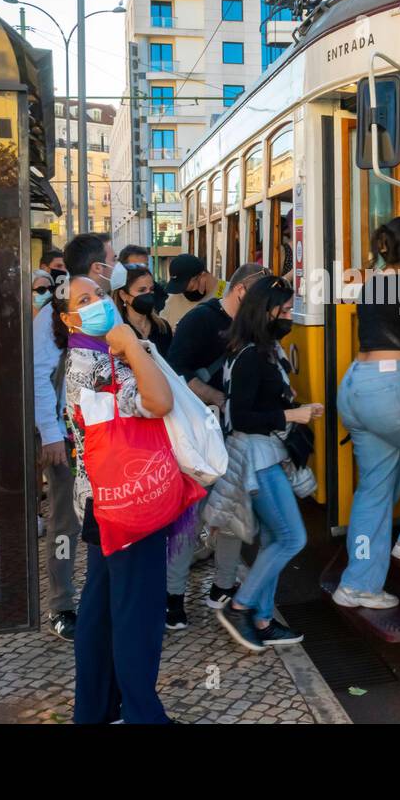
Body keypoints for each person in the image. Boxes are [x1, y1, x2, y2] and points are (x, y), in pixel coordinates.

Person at [57, 239, 177, 724]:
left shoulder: (88, 357)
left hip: (102, 507)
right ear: (69, 320)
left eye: (98, 297)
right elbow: (160, 400)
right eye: (82, 303)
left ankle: (96, 710)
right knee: (138, 617)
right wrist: (130, 343)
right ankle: (145, 715)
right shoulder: (98, 365)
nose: (96, 305)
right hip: (129, 506)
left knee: (102, 611)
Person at [215, 275, 323, 651]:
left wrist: (296, 409)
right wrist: (292, 416)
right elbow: (243, 416)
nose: (290, 314)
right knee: (292, 537)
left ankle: (261, 618)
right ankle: (241, 606)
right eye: (286, 309)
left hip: (263, 454)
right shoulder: (252, 356)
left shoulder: (256, 350)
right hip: (257, 456)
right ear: (266, 311)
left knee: (277, 538)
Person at [162, 261, 268, 628]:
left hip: (234, 434)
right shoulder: (199, 321)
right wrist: (218, 399)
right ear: (241, 291)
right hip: (199, 436)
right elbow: (174, 374)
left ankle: (222, 587)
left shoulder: (253, 326)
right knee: (188, 519)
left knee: (231, 512)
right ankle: (172, 598)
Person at [333, 217, 400, 610]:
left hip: (356, 385)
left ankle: (357, 585)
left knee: (374, 490)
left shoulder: (375, 284)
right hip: (390, 388)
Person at [32, 263, 79, 640]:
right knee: (66, 522)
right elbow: (39, 377)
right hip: (67, 438)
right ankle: (62, 604)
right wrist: (50, 433)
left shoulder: (107, 308)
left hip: (106, 434)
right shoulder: (51, 317)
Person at [113, 247, 173, 357]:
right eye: (141, 290)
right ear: (123, 295)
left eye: (151, 289)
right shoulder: (117, 332)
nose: (148, 295)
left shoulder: (162, 328)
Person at [160, 253, 218, 329]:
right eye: (180, 289)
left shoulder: (228, 293)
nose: (184, 292)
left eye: (190, 287)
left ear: (203, 276)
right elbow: (162, 328)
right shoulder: (173, 299)